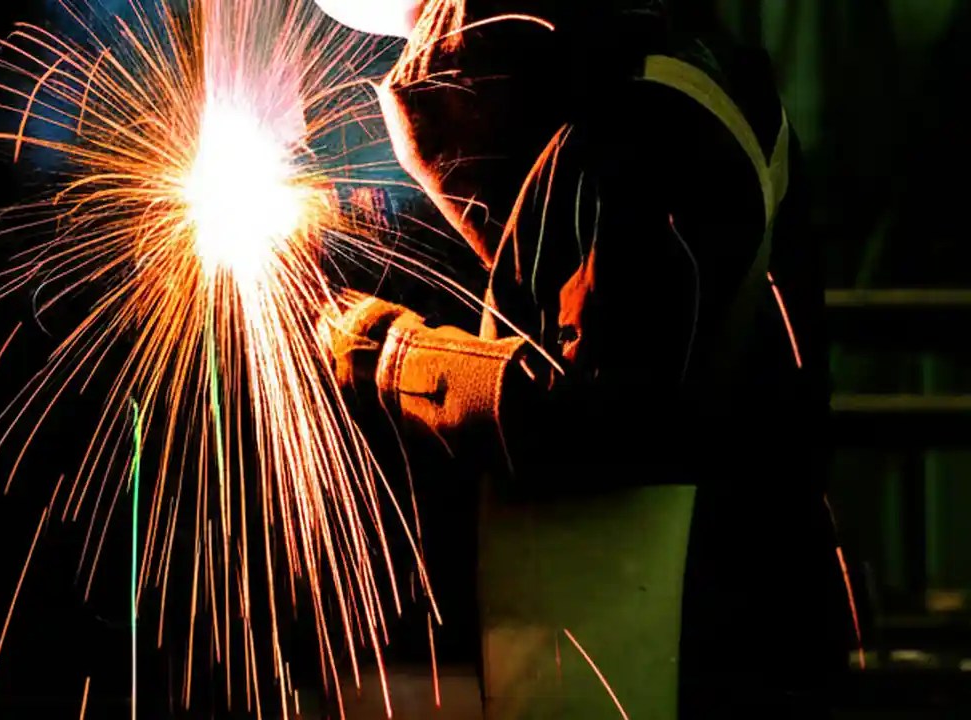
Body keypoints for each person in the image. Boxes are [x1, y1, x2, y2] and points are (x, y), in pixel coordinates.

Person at [314, 1, 852, 717]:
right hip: (674, 641)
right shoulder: (618, 99)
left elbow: (597, 419)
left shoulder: (654, 128)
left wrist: (385, 352)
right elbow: (549, 287)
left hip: (717, 657)